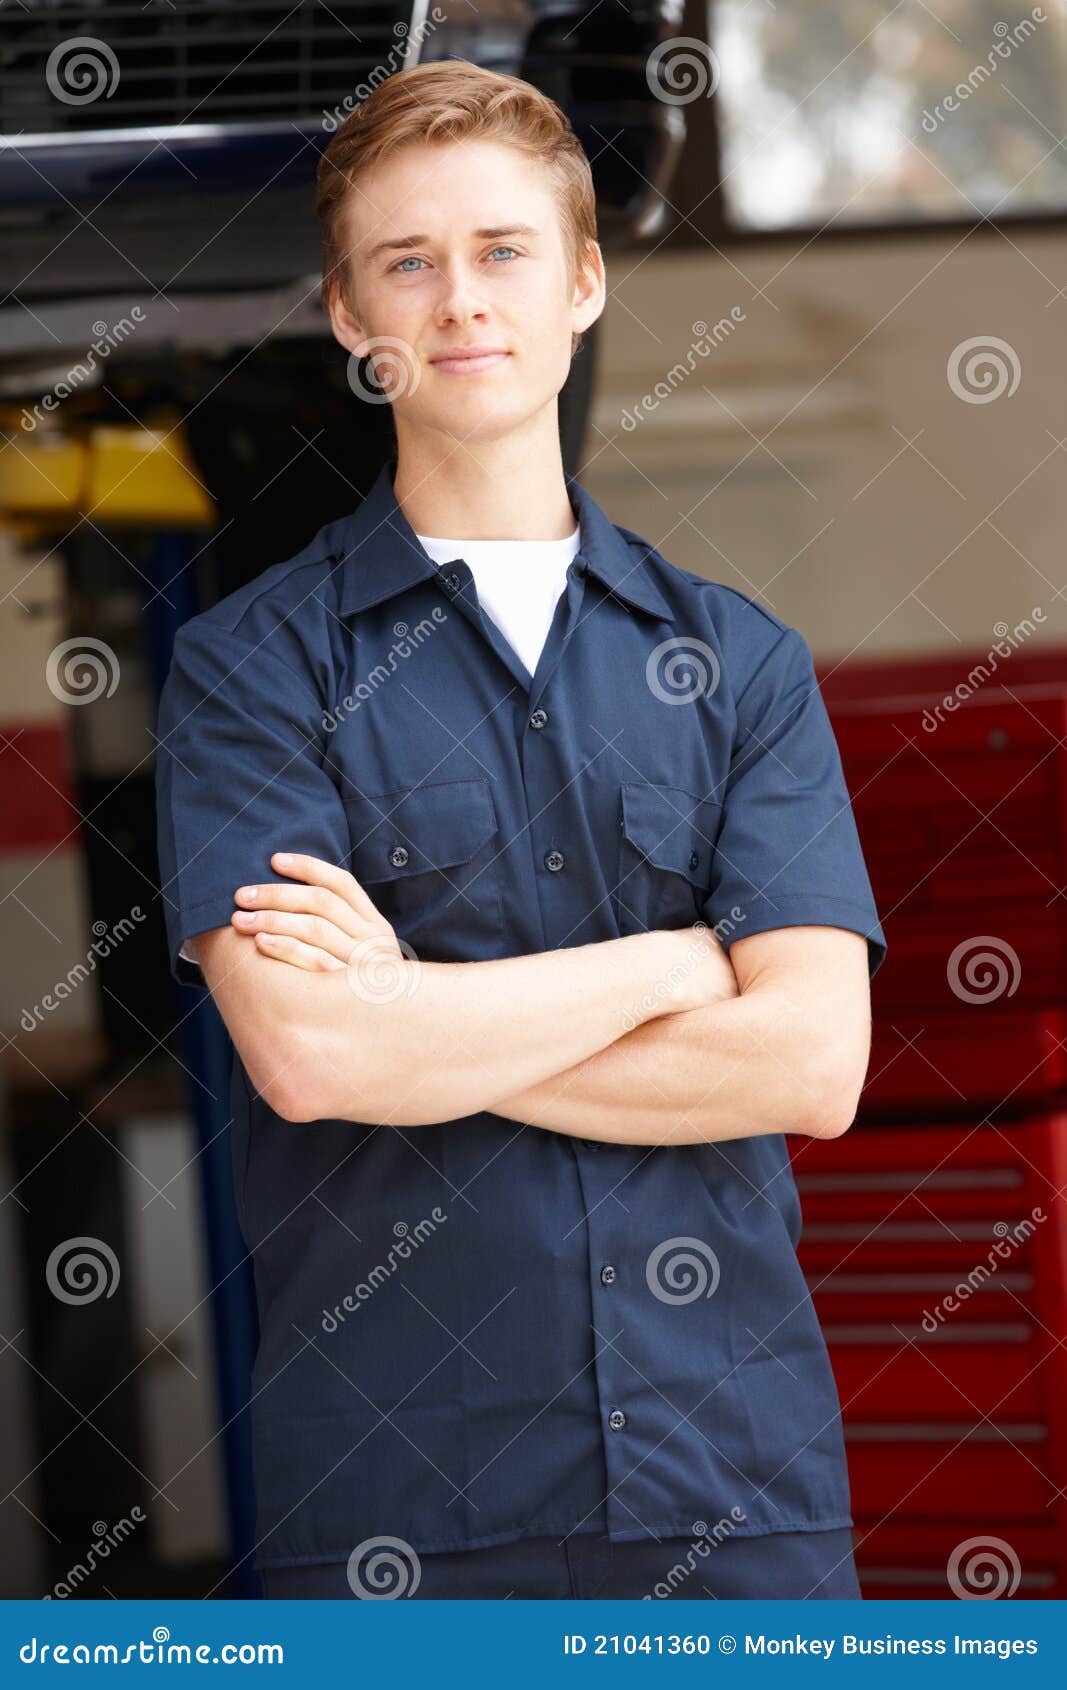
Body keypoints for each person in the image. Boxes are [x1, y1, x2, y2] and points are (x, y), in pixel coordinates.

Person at [154, 58, 886, 1601]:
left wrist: (415, 1012)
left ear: (584, 282)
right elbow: (316, 1056)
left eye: (502, 251)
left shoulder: (739, 664)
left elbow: (812, 1065)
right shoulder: (252, 670)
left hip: (737, 1493)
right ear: (348, 313)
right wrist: (679, 965)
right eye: (407, 263)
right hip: (406, 1516)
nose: (462, 301)